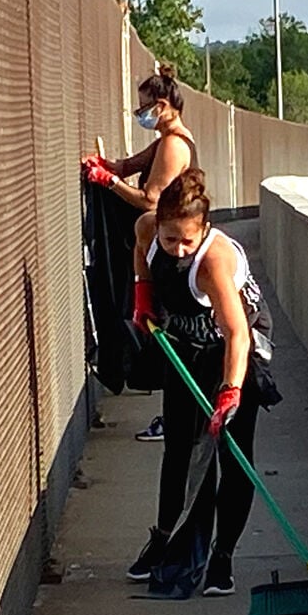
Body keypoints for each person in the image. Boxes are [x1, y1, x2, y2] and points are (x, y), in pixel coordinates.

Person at [126, 168, 274, 597]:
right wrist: (143, 296)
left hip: (236, 350)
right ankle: (164, 540)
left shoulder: (212, 261)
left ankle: (222, 557)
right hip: (188, 344)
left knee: (231, 450)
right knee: (178, 448)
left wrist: (230, 393)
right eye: (171, 239)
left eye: (187, 240)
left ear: (203, 229)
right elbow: (142, 254)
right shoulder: (147, 228)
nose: (178, 248)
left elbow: (237, 335)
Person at [82, 64, 197, 441]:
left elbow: (150, 199)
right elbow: (128, 165)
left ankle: (177, 416)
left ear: (163, 106)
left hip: (167, 249)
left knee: (166, 333)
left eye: (145, 107)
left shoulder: (175, 144)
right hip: (157, 244)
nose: (141, 114)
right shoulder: (166, 140)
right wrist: (107, 168)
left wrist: (110, 182)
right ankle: (173, 413)